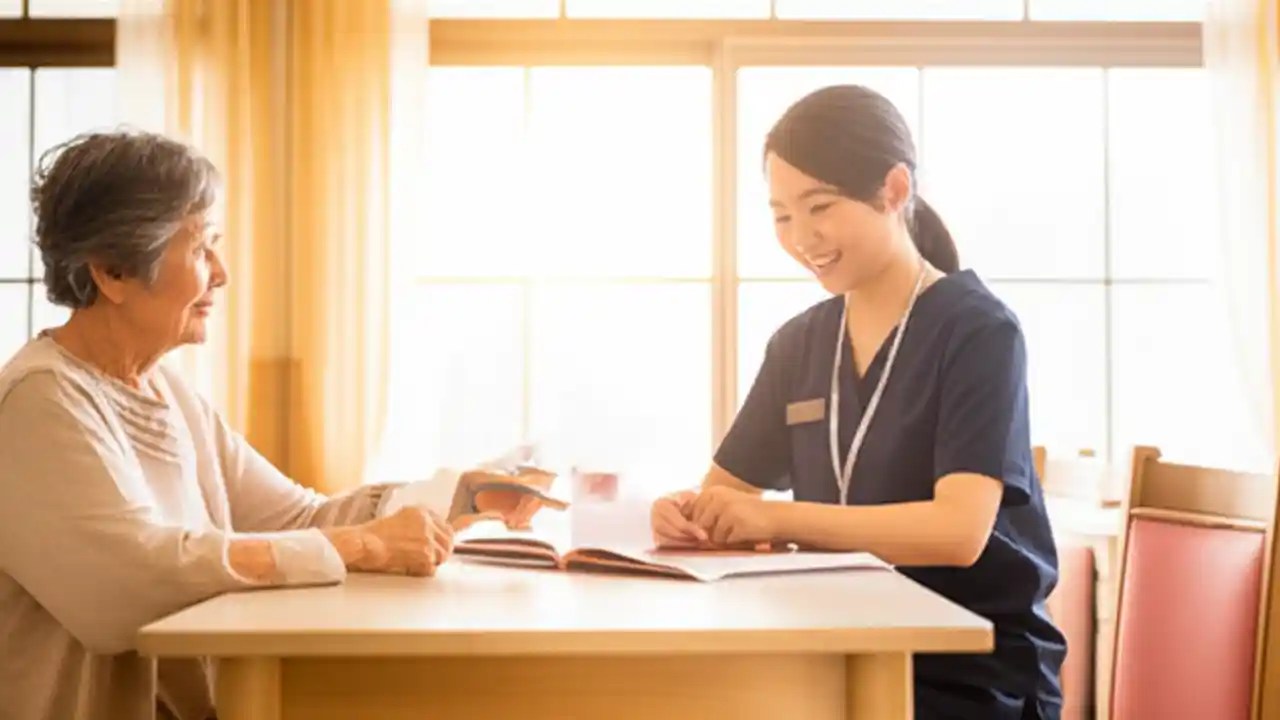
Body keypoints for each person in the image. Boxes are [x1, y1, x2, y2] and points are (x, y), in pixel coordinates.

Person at [0, 129, 550, 720]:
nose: (222, 272)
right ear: (111, 271)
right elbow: (122, 587)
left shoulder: (165, 390)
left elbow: (300, 520)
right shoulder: (38, 403)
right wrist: (357, 545)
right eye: (200, 248)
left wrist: (456, 495)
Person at [650, 85, 1065, 720]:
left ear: (894, 190)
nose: (800, 237)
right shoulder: (800, 344)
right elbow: (726, 494)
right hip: (834, 650)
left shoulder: (979, 331)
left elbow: (959, 533)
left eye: (820, 206)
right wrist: (688, 516)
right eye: (782, 215)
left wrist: (778, 520)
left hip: (968, 679)